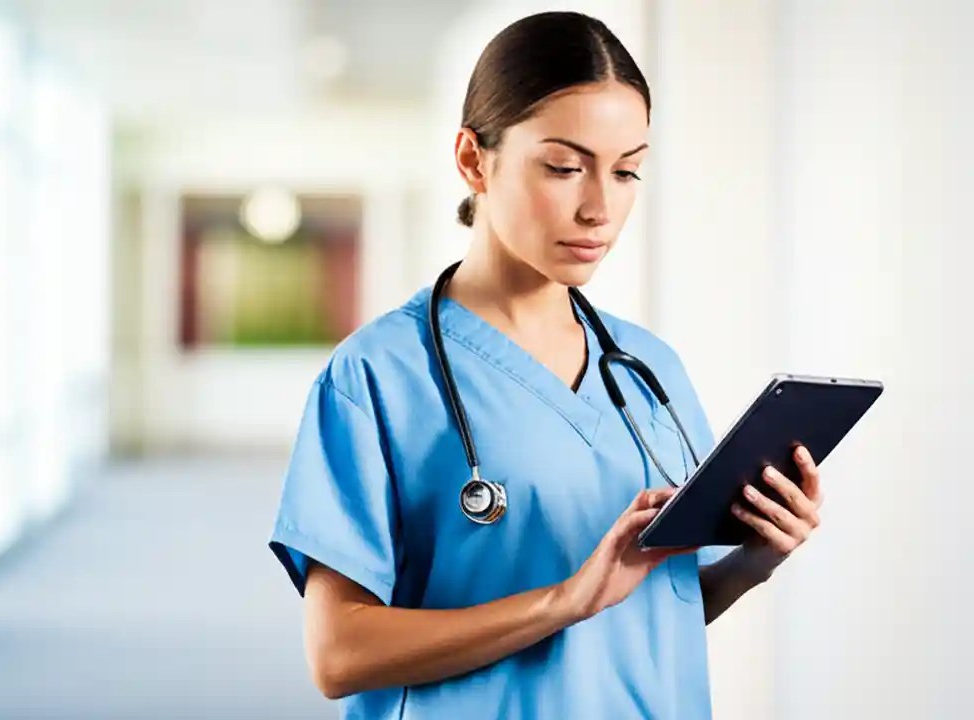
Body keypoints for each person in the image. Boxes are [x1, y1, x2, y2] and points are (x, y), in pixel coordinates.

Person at [267, 11, 824, 719]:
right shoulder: (378, 376)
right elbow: (339, 655)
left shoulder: (649, 369)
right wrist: (564, 600)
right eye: (564, 167)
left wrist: (755, 559)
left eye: (626, 171)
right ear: (474, 160)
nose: (600, 208)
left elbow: (653, 616)